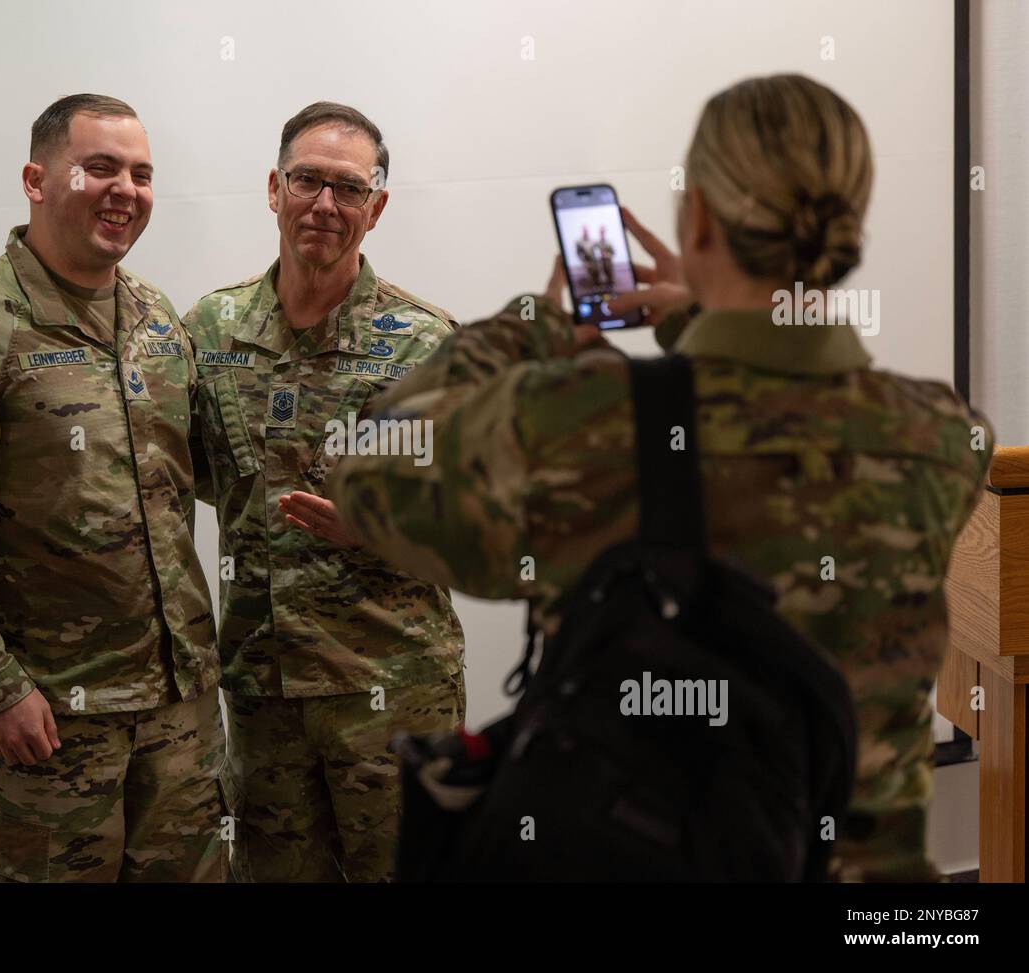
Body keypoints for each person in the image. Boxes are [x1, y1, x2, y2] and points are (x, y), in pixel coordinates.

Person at [327, 73, 992, 882]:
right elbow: (790, 388)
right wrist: (707, 312)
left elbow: (369, 465)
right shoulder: (941, 434)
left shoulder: (583, 421)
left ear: (701, 216)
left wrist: (530, 326)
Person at [0, 94, 228, 882]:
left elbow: (201, 477)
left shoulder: (158, 319)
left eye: (141, 173)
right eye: (99, 167)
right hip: (48, 736)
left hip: (178, 727)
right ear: (36, 179)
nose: (125, 189)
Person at [183, 101, 465, 882]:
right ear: (274, 189)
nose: (324, 205)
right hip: (263, 693)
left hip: (393, 693)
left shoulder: (427, 344)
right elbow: (171, 476)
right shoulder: (210, 330)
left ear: (376, 207)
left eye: (348, 188)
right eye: (307, 180)